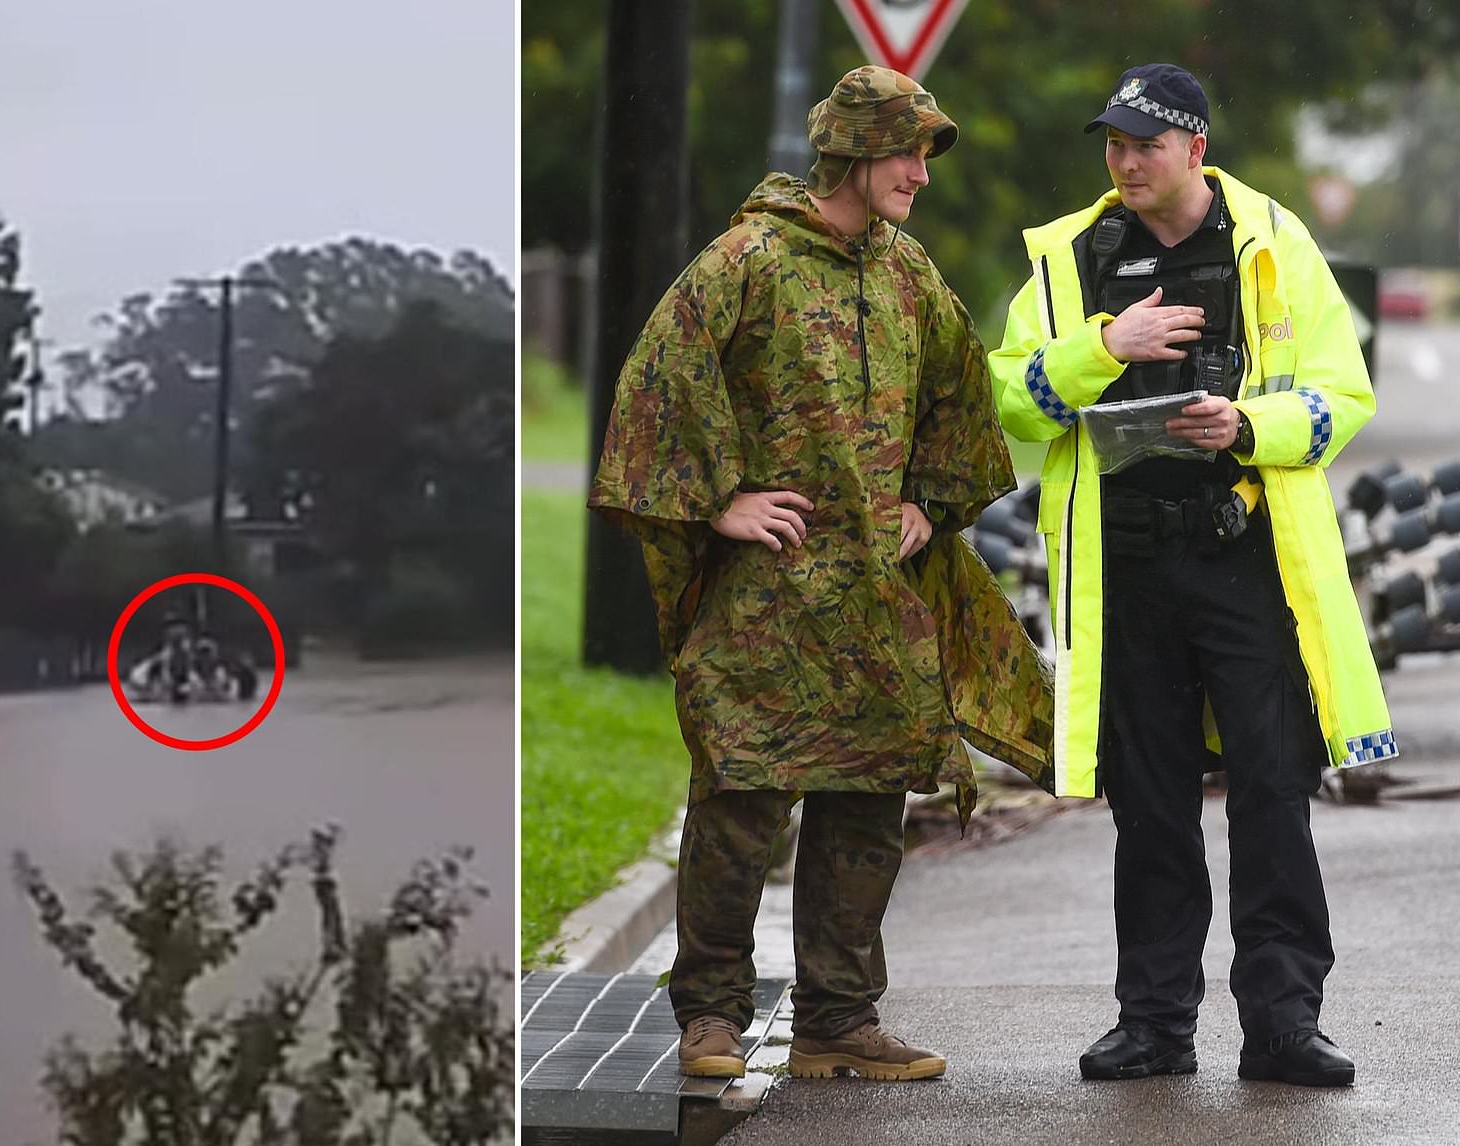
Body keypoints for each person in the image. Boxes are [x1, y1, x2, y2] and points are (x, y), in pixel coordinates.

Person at [589, 66, 1053, 1083]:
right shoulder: (746, 261)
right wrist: (719, 502)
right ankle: (710, 1015)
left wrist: (929, 503)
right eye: (906, 152)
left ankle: (837, 1022)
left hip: (877, 607)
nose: (920, 176)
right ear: (851, 152)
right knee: (741, 803)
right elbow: (657, 381)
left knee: (867, 810)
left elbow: (961, 399)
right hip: (769, 601)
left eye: (925, 155)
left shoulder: (908, 274)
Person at [989, 63, 1390, 1088]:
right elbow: (1011, 399)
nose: (1124, 162)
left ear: (1195, 150)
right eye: (1113, 144)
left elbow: (1344, 394)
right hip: (1124, 569)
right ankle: (1155, 1023)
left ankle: (1285, 1023)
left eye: (1145, 145)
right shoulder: (1071, 257)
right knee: (1153, 804)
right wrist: (1100, 348)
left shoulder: (1271, 242)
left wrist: (1247, 425)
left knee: (1272, 789)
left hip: (1242, 553)